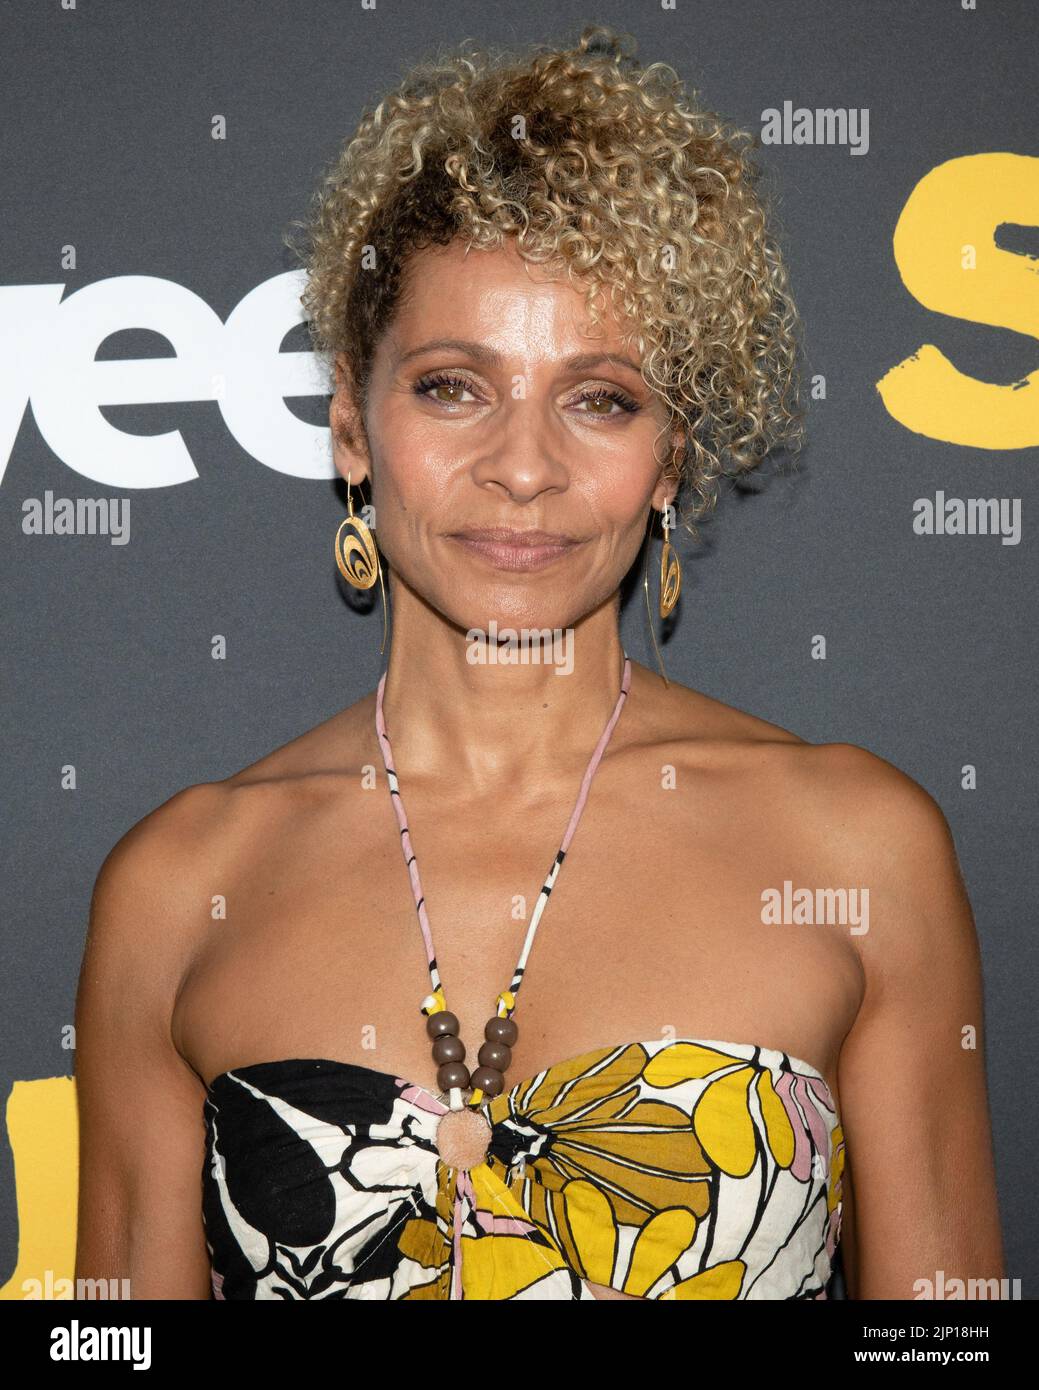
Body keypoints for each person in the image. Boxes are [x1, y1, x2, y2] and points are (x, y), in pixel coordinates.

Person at [74, 25, 1004, 1300]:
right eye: (455, 387)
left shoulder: (857, 849)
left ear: (669, 458)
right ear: (352, 422)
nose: (524, 467)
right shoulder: (178, 886)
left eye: (601, 398)